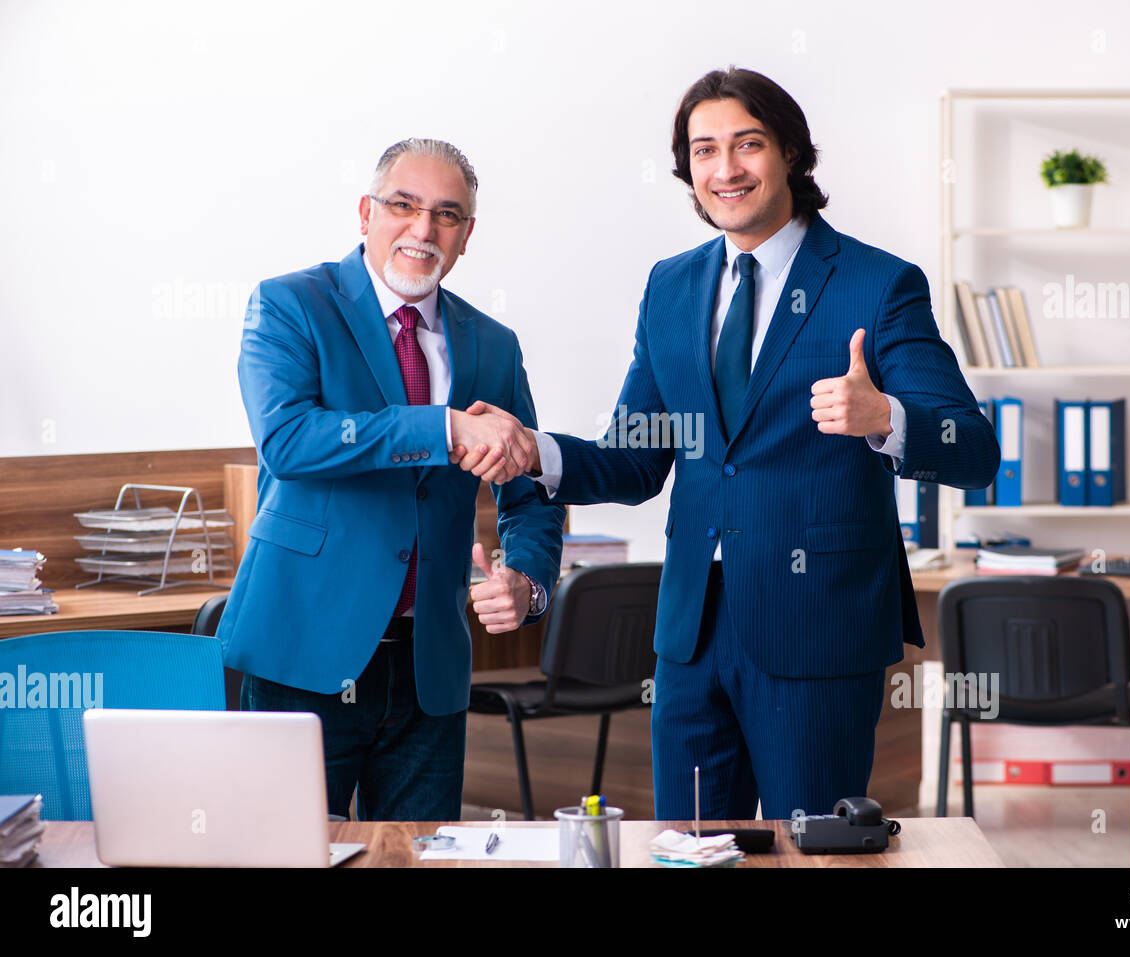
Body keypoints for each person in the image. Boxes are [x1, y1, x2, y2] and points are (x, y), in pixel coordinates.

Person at [454, 69, 999, 821]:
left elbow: (974, 449)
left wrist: (886, 418)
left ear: (791, 155)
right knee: (688, 842)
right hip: (690, 633)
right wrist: (535, 451)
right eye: (704, 150)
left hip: (817, 627)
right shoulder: (671, 286)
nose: (725, 168)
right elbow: (640, 453)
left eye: (747, 144)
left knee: (814, 846)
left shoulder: (877, 283)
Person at [218, 138, 565, 821]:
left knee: (420, 861)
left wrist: (527, 580)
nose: (422, 229)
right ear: (365, 213)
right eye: (403, 205)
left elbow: (530, 489)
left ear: (466, 235)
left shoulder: (492, 345)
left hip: (427, 666)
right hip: (301, 652)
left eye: (446, 214)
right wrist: (443, 428)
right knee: (283, 856)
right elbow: (289, 441)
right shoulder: (290, 305)